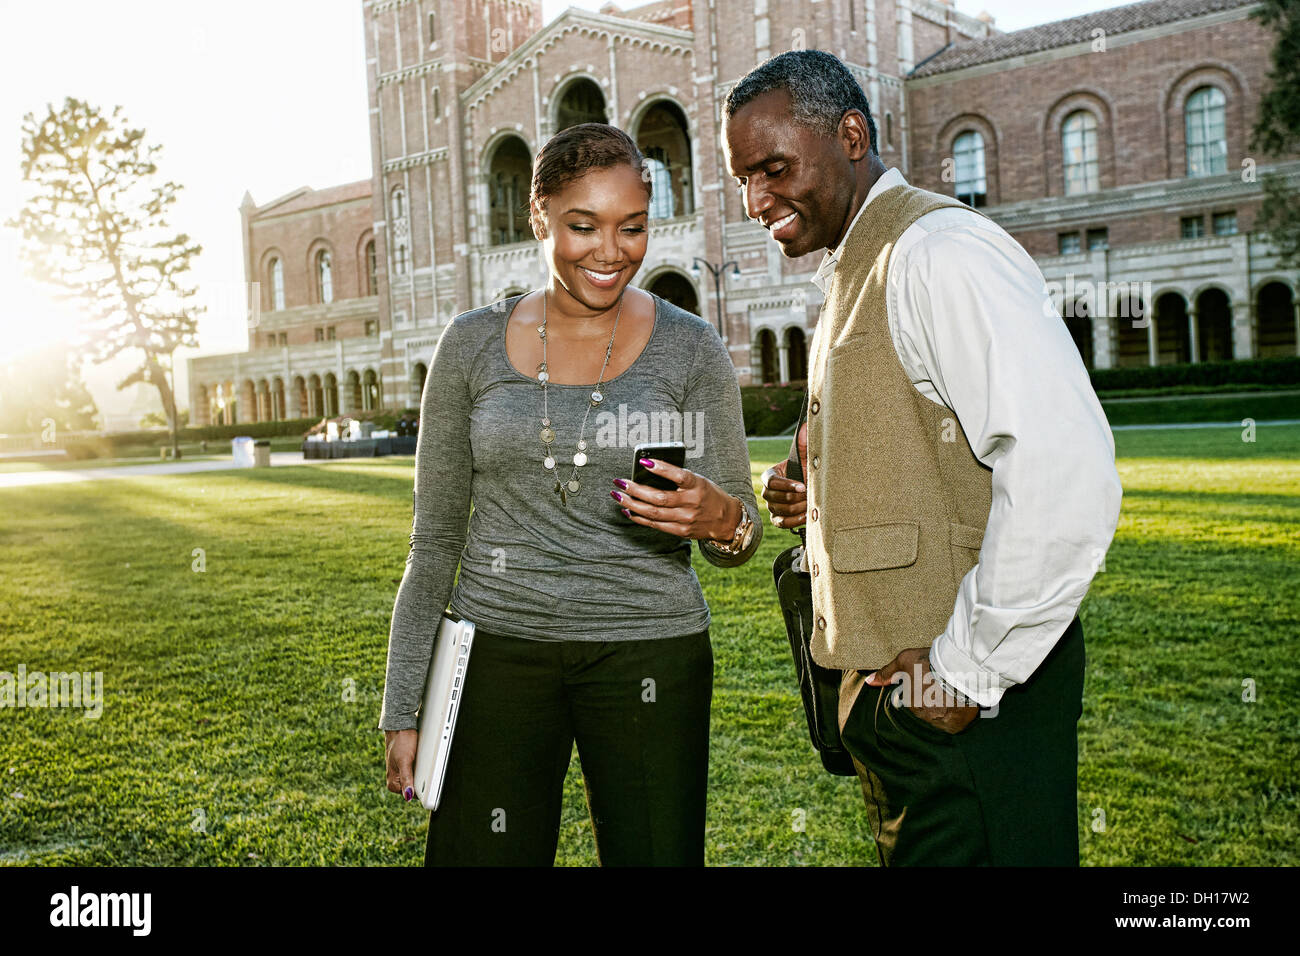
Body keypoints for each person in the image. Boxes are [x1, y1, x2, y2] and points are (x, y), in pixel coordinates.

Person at [725, 50, 1123, 866]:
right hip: (907, 718)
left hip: (968, 714)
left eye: (773, 168)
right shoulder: (857, 263)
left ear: (852, 133)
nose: (756, 200)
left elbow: (1060, 470)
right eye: (743, 179)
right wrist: (823, 496)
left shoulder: (940, 253)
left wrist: (968, 673)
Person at [379, 122, 762, 866]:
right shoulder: (470, 344)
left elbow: (738, 532)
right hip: (496, 653)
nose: (611, 252)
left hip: (650, 652)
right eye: (583, 226)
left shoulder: (692, 348)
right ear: (539, 217)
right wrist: (404, 704)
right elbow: (432, 542)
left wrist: (722, 521)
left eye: (633, 228)